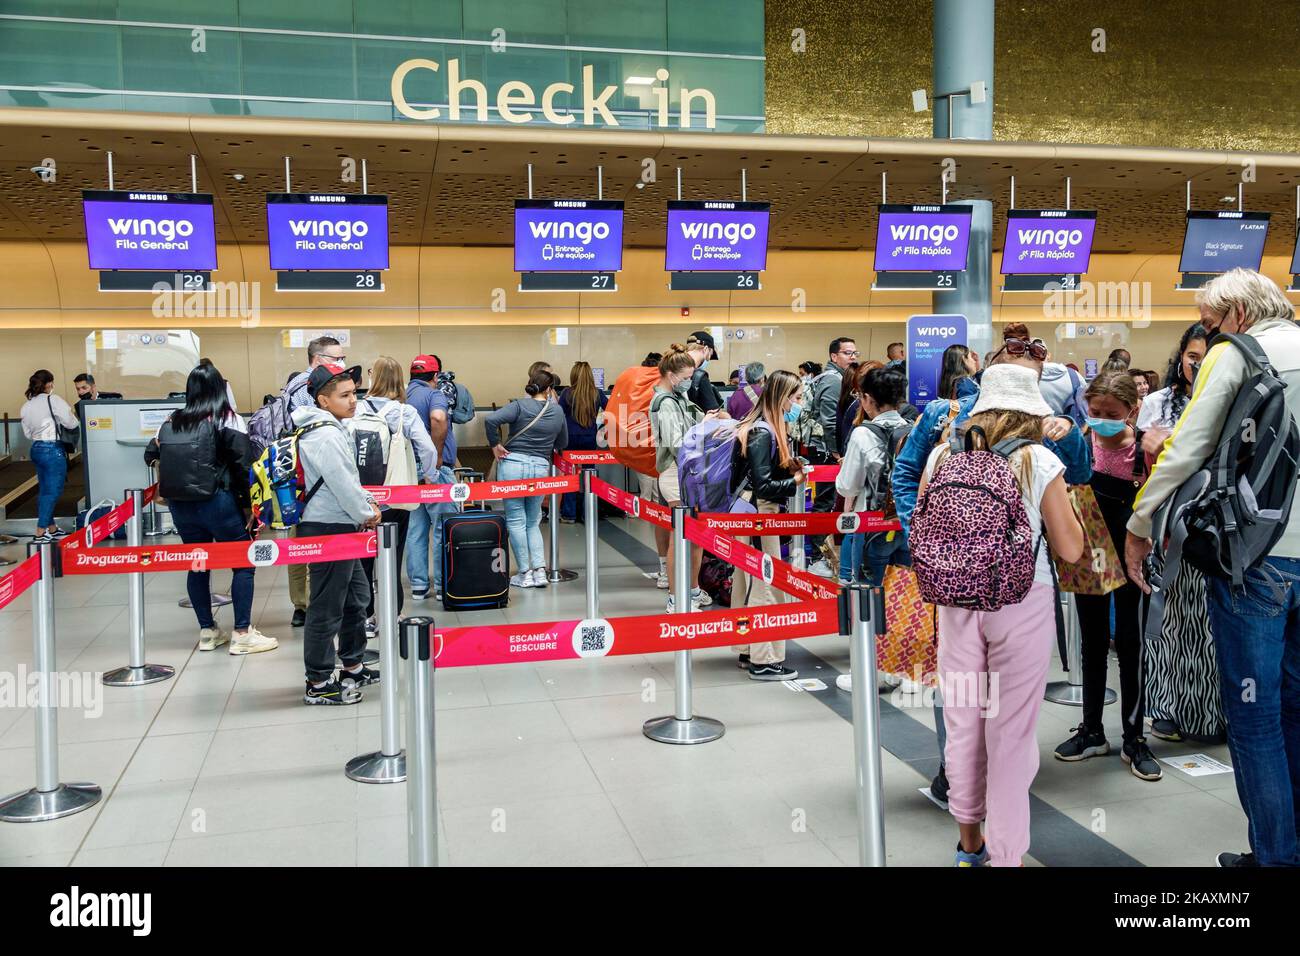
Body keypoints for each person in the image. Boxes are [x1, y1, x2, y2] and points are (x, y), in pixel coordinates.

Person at [1125, 269, 1300, 867]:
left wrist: (1140, 523)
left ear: (1237, 314)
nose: (1207, 333)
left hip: (1256, 560)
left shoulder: (1238, 354)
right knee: (1297, 710)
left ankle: (1276, 857)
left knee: (1255, 720)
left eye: (1209, 321)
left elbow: (1187, 446)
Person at [893, 322, 1093, 805]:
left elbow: (1081, 475)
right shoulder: (946, 416)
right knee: (958, 691)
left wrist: (1067, 436)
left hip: (1017, 575)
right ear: (992, 373)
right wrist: (927, 537)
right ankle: (959, 773)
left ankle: (981, 800)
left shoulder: (1047, 430)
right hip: (957, 570)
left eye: (1036, 377)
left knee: (986, 687)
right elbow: (906, 472)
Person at [921, 362, 1085, 867]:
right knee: (1010, 734)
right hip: (1022, 602)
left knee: (963, 722)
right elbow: (1071, 549)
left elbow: (927, 524)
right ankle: (1007, 856)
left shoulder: (943, 454)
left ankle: (969, 845)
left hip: (955, 602)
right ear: (1030, 410)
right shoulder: (1038, 460)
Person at [1052, 371, 1160, 780]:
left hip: (1134, 552)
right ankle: (1092, 730)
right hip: (1088, 554)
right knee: (1092, 643)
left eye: (1111, 413)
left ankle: (1134, 737)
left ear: (1132, 411)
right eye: (1094, 411)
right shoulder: (1080, 443)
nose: (1100, 419)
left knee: (1131, 646)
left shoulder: (1145, 452)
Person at [144, 363, 276, 655]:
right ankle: (242, 632)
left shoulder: (173, 419)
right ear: (221, 388)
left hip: (181, 506)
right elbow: (243, 468)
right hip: (219, 502)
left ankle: (207, 631)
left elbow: (150, 454)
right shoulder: (228, 419)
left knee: (198, 562)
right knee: (242, 563)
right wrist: (250, 507)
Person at [1130, 325, 1222, 745]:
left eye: (1205, 356)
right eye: (1191, 355)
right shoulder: (1157, 402)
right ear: (1180, 356)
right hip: (1167, 526)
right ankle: (1165, 709)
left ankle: (1208, 712)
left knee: (1206, 626)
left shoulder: (1225, 400)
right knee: (1166, 622)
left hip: (1213, 529)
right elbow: (1149, 463)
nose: (1197, 363)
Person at [293, 362, 382, 705]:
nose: (353, 400)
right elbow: (343, 484)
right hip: (328, 527)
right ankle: (317, 682)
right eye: (344, 395)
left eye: (354, 393)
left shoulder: (331, 428)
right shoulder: (325, 435)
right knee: (327, 606)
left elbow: (349, 481)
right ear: (323, 400)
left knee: (356, 597)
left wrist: (364, 505)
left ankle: (352, 665)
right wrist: (366, 513)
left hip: (341, 525)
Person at [730, 369, 804, 681]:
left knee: (748, 581)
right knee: (765, 584)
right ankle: (765, 658)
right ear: (782, 397)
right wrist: (795, 480)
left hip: (749, 513)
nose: (799, 403)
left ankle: (750, 650)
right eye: (796, 397)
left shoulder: (758, 428)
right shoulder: (763, 432)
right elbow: (764, 485)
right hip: (761, 514)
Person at [356, 357, 439, 633]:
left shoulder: (356, 410)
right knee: (393, 554)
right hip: (396, 495)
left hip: (363, 497)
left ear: (373, 377)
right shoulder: (405, 412)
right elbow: (427, 449)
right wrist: (430, 475)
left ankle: (366, 616)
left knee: (364, 558)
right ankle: (392, 613)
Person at [283, 336, 347, 627]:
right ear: (319, 359)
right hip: (313, 475)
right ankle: (312, 605)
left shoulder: (291, 386)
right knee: (313, 547)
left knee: (298, 545)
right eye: (337, 357)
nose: (341, 362)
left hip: (294, 477)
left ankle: (300, 604)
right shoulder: (312, 389)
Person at [485, 368, 569, 588]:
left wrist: (495, 445)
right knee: (533, 522)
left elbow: (491, 420)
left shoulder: (519, 406)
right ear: (550, 389)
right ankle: (540, 571)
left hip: (513, 466)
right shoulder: (557, 411)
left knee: (515, 521)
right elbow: (562, 443)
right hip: (540, 467)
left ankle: (525, 573)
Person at [650, 345, 714, 611]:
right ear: (671, 375)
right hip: (676, 473)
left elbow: (695, 417)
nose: (689, 381)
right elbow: (677, 443)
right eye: (686, 377)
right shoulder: (663, 403)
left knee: (694, 534)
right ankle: (677, 599)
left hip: (685, 472)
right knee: (681, 535)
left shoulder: (677, 399)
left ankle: (692, 589)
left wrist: (709, 419)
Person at [836, 365, 909, 588]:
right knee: (902, 594)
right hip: (905, 525)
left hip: (871, 526)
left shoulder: (862, 433)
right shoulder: (912, 430)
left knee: (868, 595)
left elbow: (847, 487)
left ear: (867, 398)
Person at [806, 337, 860, 574]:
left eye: (855, 353)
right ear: (834, 357)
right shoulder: (833, 380)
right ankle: (819, 553)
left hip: (827, 449)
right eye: (848, 353)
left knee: (828, 501)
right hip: (827, 452)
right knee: (826, 501)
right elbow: (829, 421)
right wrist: (836, 451)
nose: (853, 357)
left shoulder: (836, 378)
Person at [406, 354, 457, 601]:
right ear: (435, 376)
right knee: (443, 526)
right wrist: (436, 456)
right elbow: (438, 418)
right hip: (435, 471)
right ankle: (442, 583)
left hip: (408, 472)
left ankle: (418, 586)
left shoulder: (403, 395)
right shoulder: (434, 394)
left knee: (415, 529)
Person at [21, 370, 78, 542]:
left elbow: (27, 433)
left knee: (45, 490)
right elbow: (71, 422)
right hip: (52, 449)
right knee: (53, 491)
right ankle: (40, 532)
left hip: (36, 448)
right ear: (48, 384)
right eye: (52, 382)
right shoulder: (53, 400)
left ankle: (51, 528)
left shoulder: (27, 405)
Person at [558, 361, 607, 523]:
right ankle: (588, 514)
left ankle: (569, 514)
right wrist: (602, 428)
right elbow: (612, 412)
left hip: (569, 439)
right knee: (589, 477)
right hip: (589, 438)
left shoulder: (566, 393)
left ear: (574, 375)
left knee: (570, 476)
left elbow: (559, 417)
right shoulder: (597, 394)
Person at [684, 330, 723, 413]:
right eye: (710, 355)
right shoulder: (700, 377)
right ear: (705, 349)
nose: (708, 360)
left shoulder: (675, 369)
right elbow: (714, 413)